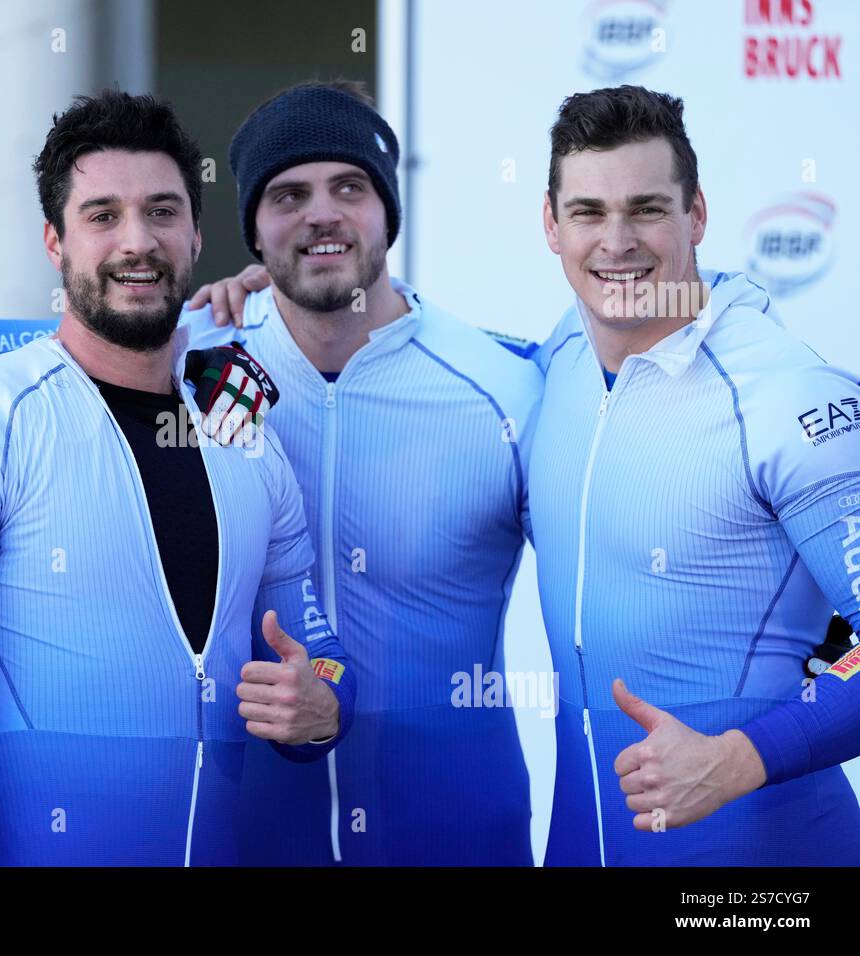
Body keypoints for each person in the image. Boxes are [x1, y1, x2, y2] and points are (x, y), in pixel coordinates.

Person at [0, 90, 355, 866]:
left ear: (196, 234)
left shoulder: (247, 436)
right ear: (54, 243)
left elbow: (320, 651)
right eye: (102, 216)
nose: (138, 241)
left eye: (162, 212)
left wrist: (322, 706)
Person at [183, 80, 544, 865]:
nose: (321, 213)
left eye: (349, 186)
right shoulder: (191, 365)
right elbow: (27, 348)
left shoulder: (505, 386)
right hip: (252, 839)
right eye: (288, 194)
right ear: (251, 230)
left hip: (457, 836)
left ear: (388, 212)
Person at [530, 84, 860, 865]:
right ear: (550, 223)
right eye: (587, 213)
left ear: (697, 216)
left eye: (647, 208)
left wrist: (737, 758)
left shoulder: (786, 396)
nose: (616, 242)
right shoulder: (564, 358)